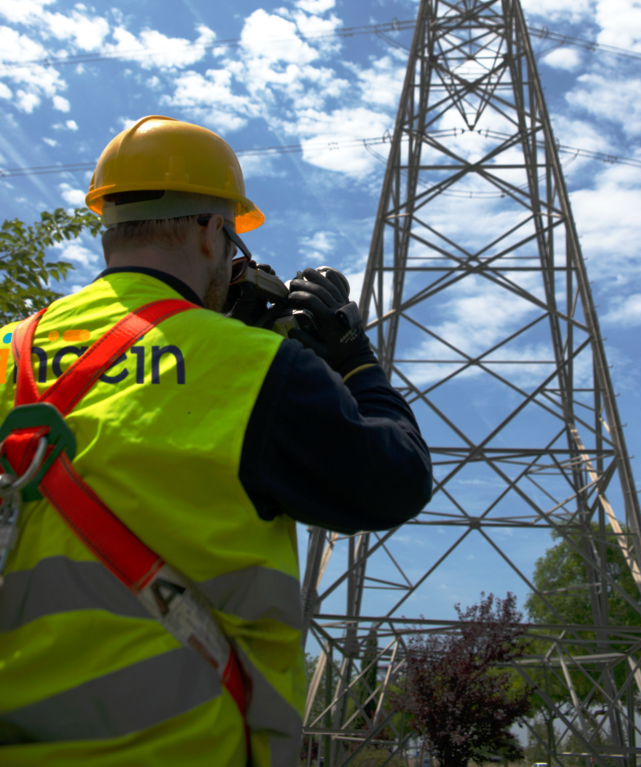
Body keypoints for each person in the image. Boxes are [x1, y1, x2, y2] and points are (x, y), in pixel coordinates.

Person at [0, 115, 432, 767]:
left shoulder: (9, 350)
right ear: (211, 231)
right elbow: (396, 477)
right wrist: (354, 359)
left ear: (110, 226)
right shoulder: (257, 369)